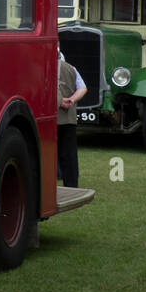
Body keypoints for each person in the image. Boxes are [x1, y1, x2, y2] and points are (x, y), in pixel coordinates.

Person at [57, 46, 87, 188]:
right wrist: (72, 100)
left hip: (52, 117)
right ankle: (72, 185)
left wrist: (59, 101)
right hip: (69, 118)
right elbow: (82, 88)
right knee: (69, 155)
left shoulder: (45, 67)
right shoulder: (71, 68)